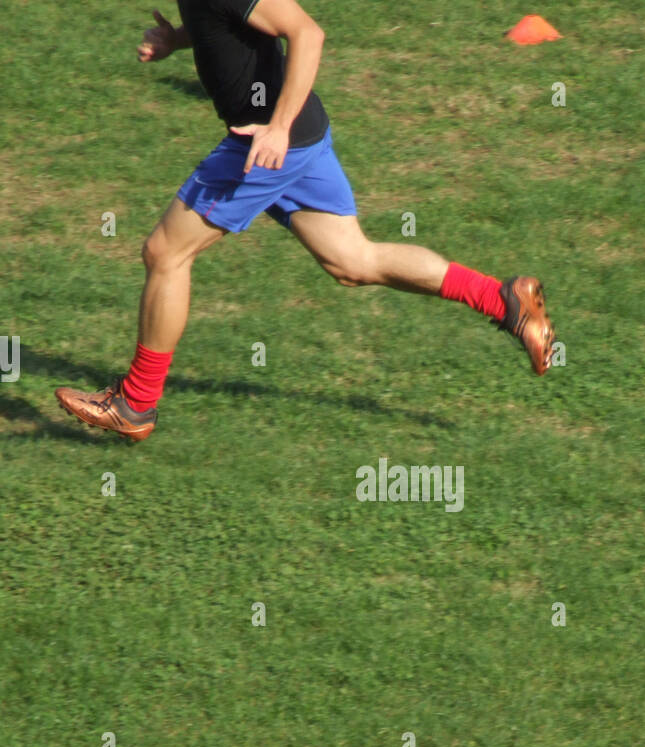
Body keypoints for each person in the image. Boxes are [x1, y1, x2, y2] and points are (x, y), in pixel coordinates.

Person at [55, 1, 555, 441]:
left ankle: (135, 403)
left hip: (268, 143)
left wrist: (276, 129)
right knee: (353, 260)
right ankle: (501, 298)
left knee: (166, 252)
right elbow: (231, 24)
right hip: (300, 138)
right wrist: (179, 39)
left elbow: (308, 33)